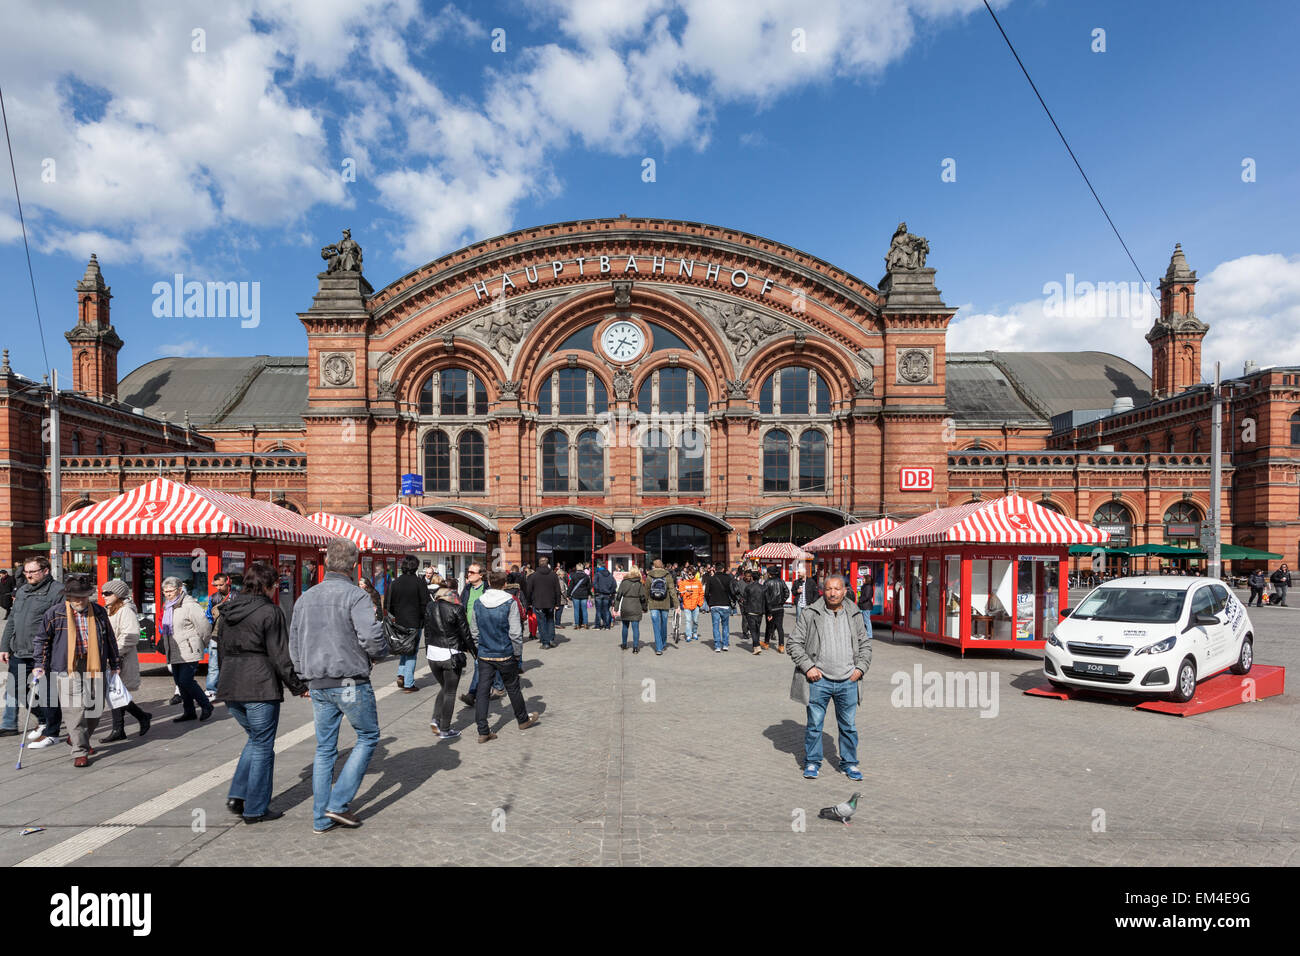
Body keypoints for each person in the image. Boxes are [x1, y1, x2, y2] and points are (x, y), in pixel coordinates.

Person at [289, 537, 388, 834]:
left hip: (318, 681)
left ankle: (321, 817)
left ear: (326, 562)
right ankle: (338, 803)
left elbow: (294, 642)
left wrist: (303, 676)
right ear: (355, 564)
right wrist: (379, 652)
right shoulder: (354, 596)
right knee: (368, 736)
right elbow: (370, 637)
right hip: (349, 681)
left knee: (325, 749)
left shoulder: (306, 597)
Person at [216, 561, 308, 824]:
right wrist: (298, 686)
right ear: (267, 585)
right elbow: (280, 656)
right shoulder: (270, 612)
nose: (276, 589)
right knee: (263, 745)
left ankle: (237, 795)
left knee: (255, 740)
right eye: (275, 584)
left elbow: (221, 650)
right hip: (259, 685)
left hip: (232, 684)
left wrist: (224, 681)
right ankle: (255, 807)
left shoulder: (228, 609)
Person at [787, 574, 872, 781]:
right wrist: (808, 667)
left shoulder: (855, 613)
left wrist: (860, 668)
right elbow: (793, 643)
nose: (833, 593)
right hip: (819, 680)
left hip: (848, 681)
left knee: (848, 726)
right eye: (829, 589)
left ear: (845, 591)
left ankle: (850, 763)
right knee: (815, 726)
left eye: (837, 589)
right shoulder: (811, 613)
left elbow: (865, 645)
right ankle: (813, 762)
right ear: (822, 591)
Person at [33, 573, 121, 767]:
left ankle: (78, 738)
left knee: (95, 708)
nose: (80, 600)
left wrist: (115, 664)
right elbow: (41, 640)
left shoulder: (98, 611)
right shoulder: (55, 613)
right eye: (76, 597)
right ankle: (80, 751)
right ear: (68, 597)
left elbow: (110, 639)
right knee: (75, 710)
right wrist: (39, 664)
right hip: (66, 667)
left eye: (84, 596)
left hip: (94, 663)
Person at [470, 569, 539, 743]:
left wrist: (480, 647)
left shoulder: (479, 602)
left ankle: (483, 730)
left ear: (488, 582)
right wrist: (517, 654)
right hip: (504, 652)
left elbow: (474, 631)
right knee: (513, 687)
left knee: (483, 691)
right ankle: (522, 720)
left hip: (485, 654)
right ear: (505, 584)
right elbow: (515, 633)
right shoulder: (510, 602)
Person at [1, 556, 65, 740]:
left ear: (45, 571)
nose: (28, 575)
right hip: (19, 650)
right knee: (16, 690)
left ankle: (51, 731)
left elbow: (60, 625)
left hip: (43, 652)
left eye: (32, 572)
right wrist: (4, 646)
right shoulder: (22, 591)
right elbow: (12, 619)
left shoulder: (58, 591)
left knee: (47, 692)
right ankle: (45, 717)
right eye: (26, 572)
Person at [99, 579, 152, 741]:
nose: (103, 596)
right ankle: (122, 728)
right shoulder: (111, 609)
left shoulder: (125, 610)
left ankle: (137, 719)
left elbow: (131, 636)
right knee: (115, 693)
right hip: (113, 659)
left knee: (116, 693)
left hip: (121, 659)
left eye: (108, 593)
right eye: (102, 593)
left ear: (119, 594)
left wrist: (115, 653)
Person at [424, 584, 476, 739]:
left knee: (444, 687)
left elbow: (427, 632)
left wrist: (428, 650)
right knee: (450, 691)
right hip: (451, 654)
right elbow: (466, 634)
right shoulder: (456, 609)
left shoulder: (430, 607)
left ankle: (436, 719)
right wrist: (475, 652)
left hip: (433, 654)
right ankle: (445, 729)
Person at [160, 577, 214, 724]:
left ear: (179, 590)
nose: (167, 594)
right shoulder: (168, 606)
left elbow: (204, 627)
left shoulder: (190, 605)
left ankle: (206, 705)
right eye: (165, 592)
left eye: (170, 591)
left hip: (189, 648)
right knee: (179, 681)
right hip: (174, 649)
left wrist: (203, 643)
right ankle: (189, 711)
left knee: (186, 680)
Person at [386, 555, 431, 693]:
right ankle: (408, 683)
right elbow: (425, 603)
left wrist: (395, 616)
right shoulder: (419, 582)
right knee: (411, 651)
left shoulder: (395, 582)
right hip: (414, 621)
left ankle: (401, 673)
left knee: (403, 647)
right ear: (416, 567)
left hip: (399, 621)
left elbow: (389, 603)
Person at [205, 572, 234, 700]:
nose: (218, 588)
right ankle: (211, 690)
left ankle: (231, 688)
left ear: (228, 582)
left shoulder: (237, 597)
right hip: (215, 636)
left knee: (232, 663)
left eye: (221, 585)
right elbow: (208, 617)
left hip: (232, 636)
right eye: (216, 585)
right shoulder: (213, 598)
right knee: (213, 665)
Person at [524, 558, 562, 648]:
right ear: (547, 564)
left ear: (539, 564)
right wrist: (557, 603)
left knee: (541, 622)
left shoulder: (533, 576)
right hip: (550, 602)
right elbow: (557, 590)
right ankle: (551, 639)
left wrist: (528, 602)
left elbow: (528, 591)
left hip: (538, 602)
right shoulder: (553, 575)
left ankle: (545, 642)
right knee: (550, 621)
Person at [645, 559, 679, 656]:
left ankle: (658, 648)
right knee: (664, 624)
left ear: (654, 566)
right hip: (665, 603)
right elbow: (672, 591)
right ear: (662, 566)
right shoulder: (667, 575)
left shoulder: (650, 576)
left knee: (656, 625)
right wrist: (676, 605)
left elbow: (646, 591)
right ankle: (663, 643)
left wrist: (644, 605)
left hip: (653, 603)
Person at [703, 564, 737, 653]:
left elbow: (706, 593)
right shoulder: (728, 579)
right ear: (723, 569)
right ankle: (725, 645)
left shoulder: (711, 579)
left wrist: (709, 603)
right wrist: (733, 602)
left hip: (714, 605)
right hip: (725, 604)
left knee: (715, 626)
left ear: (715, 569)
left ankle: (717, 645)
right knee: (725, 625)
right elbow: (732, 592)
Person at [614, 566, 648, 652]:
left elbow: (618, 595)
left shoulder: (624, 582)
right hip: (636, 607)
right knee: (635, 628)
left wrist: (616, 608)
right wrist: (644, 608)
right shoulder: (639, 583)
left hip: (625, 606)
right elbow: (643, 597)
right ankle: (635, 647)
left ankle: (624, 644)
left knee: (625, 627)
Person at [763, 566, 790, 654]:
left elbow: (765, 597)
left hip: (770, 607)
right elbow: (787, 592)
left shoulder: (767, 583)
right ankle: (781, 645)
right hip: (779, 607)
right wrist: (782, 601)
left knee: (769, 626)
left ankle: (766, 643)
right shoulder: (781, 581)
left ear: (769, 574)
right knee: (779, 627)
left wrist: (767, 607)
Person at [741, 570, 766, 654]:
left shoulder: (748, 587)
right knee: (757, 629)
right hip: (760, 611)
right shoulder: (763, 588)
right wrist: (767, 612)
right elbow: (766, 600)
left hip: (750, 611)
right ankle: (756, 645)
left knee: (753, 630)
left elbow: (744, 600)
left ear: (752, 577)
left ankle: (757, 646)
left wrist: (744, 610)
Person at [678, 567, 704, 642]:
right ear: (687, 574)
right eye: (690, 574)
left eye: (693, 574)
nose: (691, 576)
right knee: (688, 620)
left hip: (696, 605)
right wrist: (685, 592)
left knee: (695, 621)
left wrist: (700, 603)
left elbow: (701, 593)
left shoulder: (698, 582)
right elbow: (681, 593)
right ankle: (688, 635)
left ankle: (694, 632)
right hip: (687, 605)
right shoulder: (684, 582)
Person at [568, 563, 592, 630]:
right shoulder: (586, 576)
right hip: (584, 595)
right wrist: (590, 594)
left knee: (576, 610)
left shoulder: (573, 576)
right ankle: (585, 624)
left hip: (575, 595)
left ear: (576, 568)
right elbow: (589, 587)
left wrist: (568, 594)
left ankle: (577, 625)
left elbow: (571, 586)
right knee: (584, 610)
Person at [592, 563, 616, 629]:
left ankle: (597, 626)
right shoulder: (610, 574)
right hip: (607, 594)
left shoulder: (597, 574)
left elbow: (594, 583)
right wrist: (610, 591)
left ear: (599, 566)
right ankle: (607, 626)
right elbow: (614, 584)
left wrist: (598, 590)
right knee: (606, 610)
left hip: (599, 594)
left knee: (598, 610)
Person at [555, 564, 569, 628]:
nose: (563, 575)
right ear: (559, 574)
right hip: (561, 598)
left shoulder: (558, 579)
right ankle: (557, 623)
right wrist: (566, 597)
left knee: (558, 611)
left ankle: (557, 623)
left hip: (559, 598)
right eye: (563, 574)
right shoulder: (560, 580)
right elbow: (562, 590)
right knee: (559, 612)